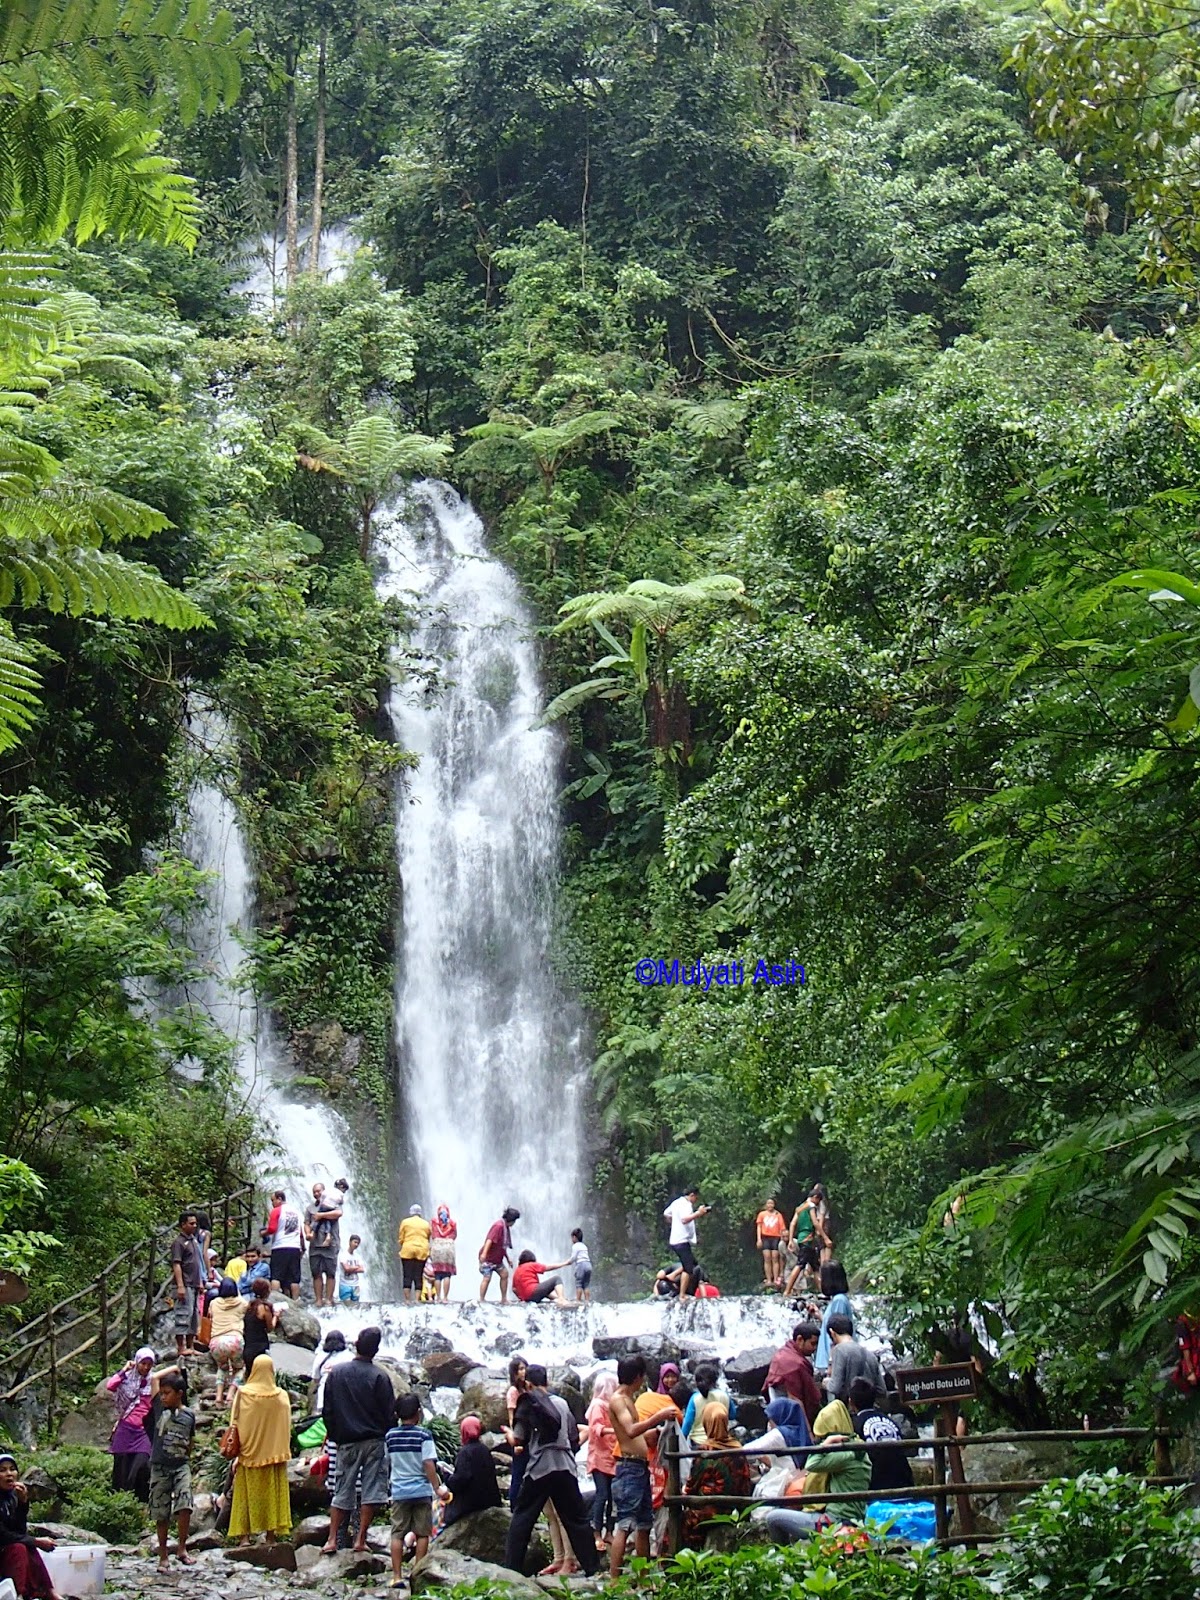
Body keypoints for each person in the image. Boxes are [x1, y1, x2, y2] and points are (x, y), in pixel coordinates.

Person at [502, 1365, 598, 1577]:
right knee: (577, 1519)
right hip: (565, 1466)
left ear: (528, 1384)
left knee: (523, 1517)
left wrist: (508, 1433)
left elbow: (518, 1439)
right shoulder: (562, 1404)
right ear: (547, 1381)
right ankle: (593, 1568)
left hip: (540, 1468)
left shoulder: (528, 1403)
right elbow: (573, 1437)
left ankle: (512, 1570)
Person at [320, 1327, 394, 1556]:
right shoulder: (380, 1376)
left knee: (342, 1489)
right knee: (371, 1491)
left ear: (356, 1344)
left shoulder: (337, 1373)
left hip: (346, 1440)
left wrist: (335, 1434)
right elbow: (389, 1413)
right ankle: (360, 1539)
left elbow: (328, 1409)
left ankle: (331, 1539)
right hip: (373, 1440)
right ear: (376, 1350)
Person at [764, 1399, 869, 1543]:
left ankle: (783, 1558)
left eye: (823, 1436)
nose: (820, 1440)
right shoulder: (858, 1448)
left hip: (835, 1521)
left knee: (773, 1518)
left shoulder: (845, 1455)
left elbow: (812, 1464)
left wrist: (825, 1446)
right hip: (852, 1518)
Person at [607, 1355, 670, 1580]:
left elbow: (635, 1434)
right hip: (628, 1468)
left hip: (639, 1466)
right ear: (638, 1376)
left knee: (644, 1524)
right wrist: (658, 1417)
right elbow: (631, 1429)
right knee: (624, 1524)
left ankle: (643, 1580)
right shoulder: (618, 1400)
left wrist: (654, 1433)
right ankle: (614, 1582)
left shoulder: (628, 1399)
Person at [228, 1356, 292, 1544]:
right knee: (271, 1496)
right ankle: (270, 1536)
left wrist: (238, 1454)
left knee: (246, 1496)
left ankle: (244, 1537)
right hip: (274, 1454)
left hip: (249, 1453)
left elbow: (235, 1422)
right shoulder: (281, 1396)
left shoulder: (244, 1393)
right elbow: (286, 1424)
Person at [386, 1394, 448, 1586]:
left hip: (399, 1491)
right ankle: (416, 1573)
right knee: (422, 1533)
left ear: (397, 1414)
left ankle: (396, 1576)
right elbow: (428, 1463)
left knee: (397, 1533)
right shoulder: (423, 1435)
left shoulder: (390, 1436)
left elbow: (387, 1462)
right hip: (421, 1491)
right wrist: (437, 1487)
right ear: (419, 1413)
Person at [682, 1405, 752, 1549]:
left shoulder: (705, 1453)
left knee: (675, 1521)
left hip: (705, 1516)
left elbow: (691, 1488)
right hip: (730, 1512)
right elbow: (745, 1486)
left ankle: (672, 1567)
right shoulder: (738, 1450)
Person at [147, 1370, 196, 1572]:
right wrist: (175, 1369)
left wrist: (187, 1455)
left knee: (185, 1504)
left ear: (180, 1393)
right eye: (162, 1393)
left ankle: (182, 1548)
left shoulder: (189, 1415)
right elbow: (154, 1378)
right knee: (161, 1511)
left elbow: (191, 1440)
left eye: (168, 1393)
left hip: (181, 1464)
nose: (163, 1396)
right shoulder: (159, 1409)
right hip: (160, 1466)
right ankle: (163, 1556)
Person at [0, 1453, 63, 1600]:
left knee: (26, 1545)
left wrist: (22, 1503)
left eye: (12, 1469)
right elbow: (3, 1535)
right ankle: (19, 1594)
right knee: (20, 1547)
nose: (9, 1474)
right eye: (2, 1470)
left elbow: (19, 1531)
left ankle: (49, 1592)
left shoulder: (12, 1496)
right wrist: (36, 1541)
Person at [105, 1347, 157, 1499]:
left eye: (149, 1364)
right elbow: (110, 1386)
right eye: (143, 1363)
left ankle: (138, 1499)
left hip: (143, 1431)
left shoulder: (154, 1381)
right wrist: (125, 1369)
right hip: (126, 1427)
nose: (146, 1367)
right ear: (136, 1362)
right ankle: (119, 1499)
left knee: (142, 1464)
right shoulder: (127, 1378)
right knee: (121, 1464)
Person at [849, 1377, 913, 1493]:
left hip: (876, 1485)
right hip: (904, 1479)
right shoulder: (889, 1420)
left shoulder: (854, 1425)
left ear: (851, 1402)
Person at [442, 1416, 501, 1527]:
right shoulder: (484, 1449)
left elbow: (460, 1480)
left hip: (472, 1503)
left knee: (443, 1507)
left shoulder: (465, 1452)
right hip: (490, 1499)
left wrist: (447, 1477)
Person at [763, 1323, 822, 1426]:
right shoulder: (794, 1364)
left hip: (776, 1416)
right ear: (800, 1340)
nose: (815, 1348)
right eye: (812, 1343)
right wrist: (808, 1432)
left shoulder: (782, 1353)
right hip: (789, 1421)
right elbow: (796, 1400)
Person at [585, 1372, 617, 1552]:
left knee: (612, 1496)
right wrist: (615, 1431)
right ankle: (596, 1531)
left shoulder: (610, 1406)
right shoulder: (598, 1405)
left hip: (612, 1455)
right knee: (602, 1494)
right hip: (599, 1456)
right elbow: (596, 1428)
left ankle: (610, 1531)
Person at [826, 1317, 887, 1408]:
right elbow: (882, 1390)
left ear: (832, 1332)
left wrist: (826, 1382)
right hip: (869, 1412)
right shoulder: (870, 1355)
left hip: (849, 1413)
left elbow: (835, 1387)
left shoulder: (839, 1350)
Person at [663, 1188, 710, 1299]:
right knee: (688, 1269)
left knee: (693, 1263)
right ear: (692, 1195)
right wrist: (698, 1213)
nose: (695, 1200)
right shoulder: (686, 1204)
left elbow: (666, 1214)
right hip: (681, 1240)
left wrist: (674, 1222)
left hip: (676, 1239)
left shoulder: (676, 1202)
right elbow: (685, 1219)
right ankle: (682, 1295)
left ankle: (672, 1276)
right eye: (696, 1198)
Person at [208, 1278, 248, 1406]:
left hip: (216, 1342)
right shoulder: (242, 1303)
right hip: (234, 1340)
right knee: (240, 1368)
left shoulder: (214, 1303)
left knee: (222, 1368)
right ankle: (230, 1394)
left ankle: (219, 1396)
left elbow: (209, 1315)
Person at [169, 1211, 203, 1361]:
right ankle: (181, 1347)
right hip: (185, 1283)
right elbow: (177, 1264)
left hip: (195, 1283)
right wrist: (180, 1285)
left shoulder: (194, 1241)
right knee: (183, 1314)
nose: (194, 1226)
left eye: (195, 1223)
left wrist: (201, 1282)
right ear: (183, 1224)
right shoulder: (179, 1242)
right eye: (191, 1223)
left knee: (194, 1315)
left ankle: (191, 1346)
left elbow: (198, 1263)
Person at [305, 1182, 343, 1310]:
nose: (316, 1194)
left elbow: (338, 1213)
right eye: (314, 1191)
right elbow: (306, 1222)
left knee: (330, 1273)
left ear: (324, 1191)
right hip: (315, 1245)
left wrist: (321, 1215)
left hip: (331, 1245)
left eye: (318, 1191)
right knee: (316, 1273)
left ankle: (329, 1299)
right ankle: (318, 1300)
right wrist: (307, 1233)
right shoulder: (310, 1208)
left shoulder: (333, 1204)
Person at [263, 1190, 305, 1300]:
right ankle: (296, 1301)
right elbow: (300, 1233)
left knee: (276, 1276)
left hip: (280, 1246)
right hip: (295, 1247)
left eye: (273, 1200)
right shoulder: (296, 1212)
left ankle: (275, 1300)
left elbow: (272, 1229)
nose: (272, 1203)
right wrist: (303, 1247)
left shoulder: (276, 1210)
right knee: (294, 1278)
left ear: (279, 1199)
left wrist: (263, 1233)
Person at [785, 1189, 825, 1295]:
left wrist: (790, 1240)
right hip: (807, 1239)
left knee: (815, 1266)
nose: (818, 1203)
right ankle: (787, 1290)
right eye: (818, 1201)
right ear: (815, 1197)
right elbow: (815, 1223)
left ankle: (823, 1291)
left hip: (802, 1238)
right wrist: (826, 1238)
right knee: (800, 1264)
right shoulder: (811, 1206)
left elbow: (792, 1224)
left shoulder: (799, 1208)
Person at [680, 1363, 730, 1449]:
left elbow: (688, 1423)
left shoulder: (695, 1398)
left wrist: (681, 1440)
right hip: (720, 1442)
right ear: (715, 1380)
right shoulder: (725, 1395)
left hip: (698, 1442)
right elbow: (732, 1415)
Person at [752, 1398, 812, 1467]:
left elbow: (748, 1451)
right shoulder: (800, 1432)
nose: (769, 1423)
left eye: (770, 1419)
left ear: (777, 1417)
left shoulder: (779, 1434)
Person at [503, 1357, 529, 1511]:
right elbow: (512, 1417)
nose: (523, 1372)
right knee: (518, 1474)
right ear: (513, 1373)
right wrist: (516, 1439)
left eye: (524, 1368)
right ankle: (514, 1507)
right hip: (519, 1436)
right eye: (520, 1369)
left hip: (529, 1436)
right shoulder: (513, 1391)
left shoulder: (527, 1388)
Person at [479, 1207, 520, 1303]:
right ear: (511, 1220)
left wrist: (508, 1258)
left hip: (497, 1259)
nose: (514, 1223)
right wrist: (484, 1254)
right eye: (514, 1221)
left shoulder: (505, 1227)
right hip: (488, 1259)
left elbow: (502, 1245)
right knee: (487, 1278)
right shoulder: (498, 1226)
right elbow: (489, 1240)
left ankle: (504, 1299)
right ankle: (481, 1299)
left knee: (504, 1274)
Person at [242, 1278, 278, 1376]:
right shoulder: (264, 1308)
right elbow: (270, 1328)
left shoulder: (249, 1305)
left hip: (247, 1348)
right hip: (260, 1349)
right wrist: (276, 1316)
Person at [397, 1205, 431, 1305]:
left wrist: (403, 1243)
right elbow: (428, 1237)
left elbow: (401, 1237)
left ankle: (407, 1300)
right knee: (418, 1275)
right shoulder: (426, 1224)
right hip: (421, 1250)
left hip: (408, 1250)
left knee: (407, 1275)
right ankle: (416, 1299)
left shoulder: (405, 1222)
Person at [816, 1290, 854, 1372]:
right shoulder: (836, 1299)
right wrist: (819, 1316)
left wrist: (831, 1363)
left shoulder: (839, 1300)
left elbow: (838, 1330)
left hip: (832, 1363)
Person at [755, 1197, 787, 1291]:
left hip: (775, 1237)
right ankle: (769, 1279)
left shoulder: (778, 1215)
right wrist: (759, 1239)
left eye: (771, 1203)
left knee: (775, 1257)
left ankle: (776, 1278)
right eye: (768, 1203)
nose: (770, 1205)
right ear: (766, 1205)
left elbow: (782, 1228)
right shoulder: (762, 1214)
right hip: (765, 1237)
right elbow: (759, 1227)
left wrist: (782, 1240)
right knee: (767, 1257)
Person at [429, 1204, 457, 1300]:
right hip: (448, 1248)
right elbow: (454, 1236)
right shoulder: (452, 1223)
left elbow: (432, 1235)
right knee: (447, 1274)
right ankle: (445, 1297)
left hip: (437, 1246)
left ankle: (438, 1297)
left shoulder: (434, 1222)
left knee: (437, 1274)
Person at [568, 1229, 592, 1304]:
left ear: (574, 1237)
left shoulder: (575, 1246)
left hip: (581, 1265)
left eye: (572, 1238)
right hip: (588, 1264)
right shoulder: (584, 1246)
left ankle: (578, 1301)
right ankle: (587, 1301)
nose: (572, 1240)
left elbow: (574, 1257)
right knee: (586, 1284)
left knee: (579, 1283)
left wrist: (569, 1262)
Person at [339, 1235, 365, 1303]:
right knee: (346, 1305)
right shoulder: (343, 1255)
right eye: (355, 1242)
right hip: (345, 1285)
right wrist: (357, 1267)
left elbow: (362, 1269)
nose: (356, 1244)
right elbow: (346, 1269)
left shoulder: (358, 1256)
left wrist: (351, 1268)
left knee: (356, 1305)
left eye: (358, 1243)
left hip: (356, 1285)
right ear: (350, 1242)